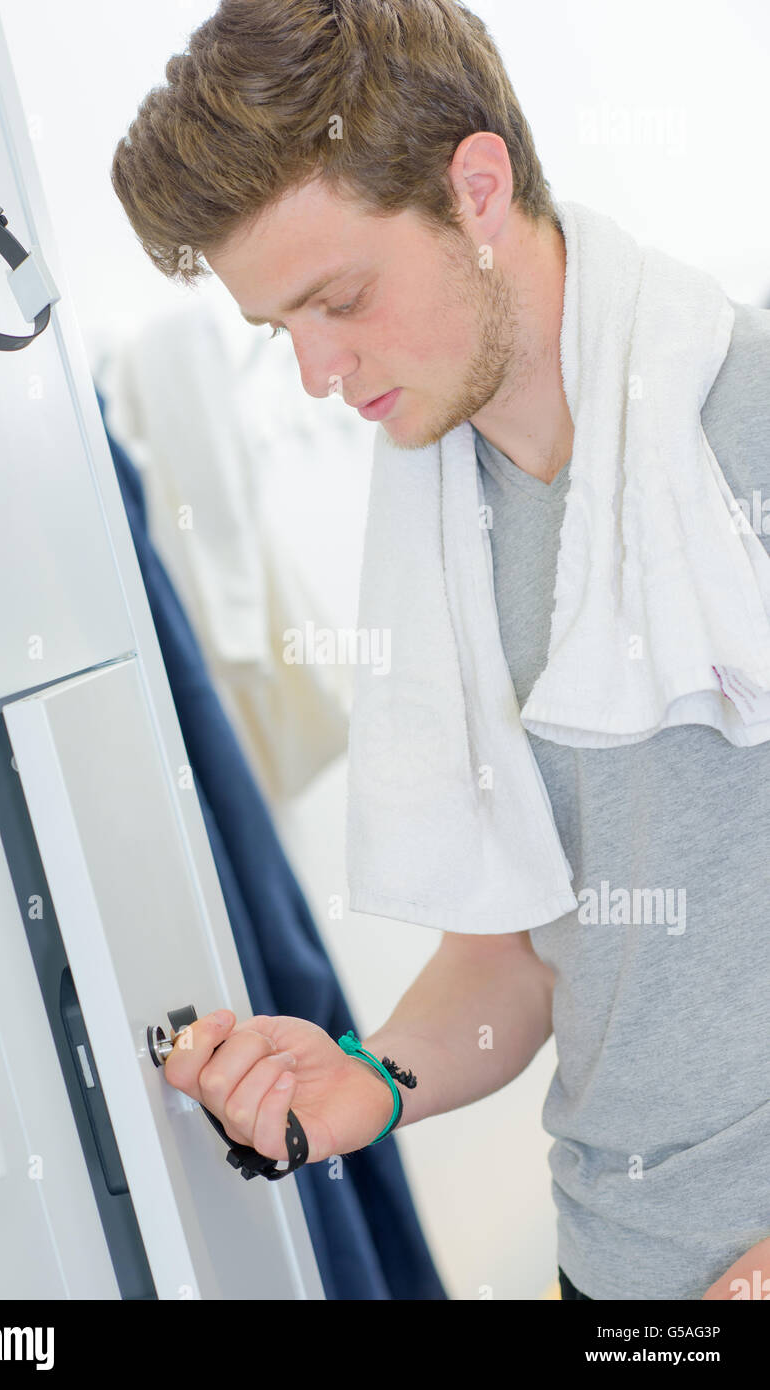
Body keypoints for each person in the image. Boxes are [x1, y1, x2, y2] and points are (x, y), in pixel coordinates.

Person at [110, 0, 770, 1300]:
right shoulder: (450, 529)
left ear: (477, 188)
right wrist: (369, 1074)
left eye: (337, 298)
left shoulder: (744, 424)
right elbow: (522, 951)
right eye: (276, 332)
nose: (315, 375)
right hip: (619, 1260)